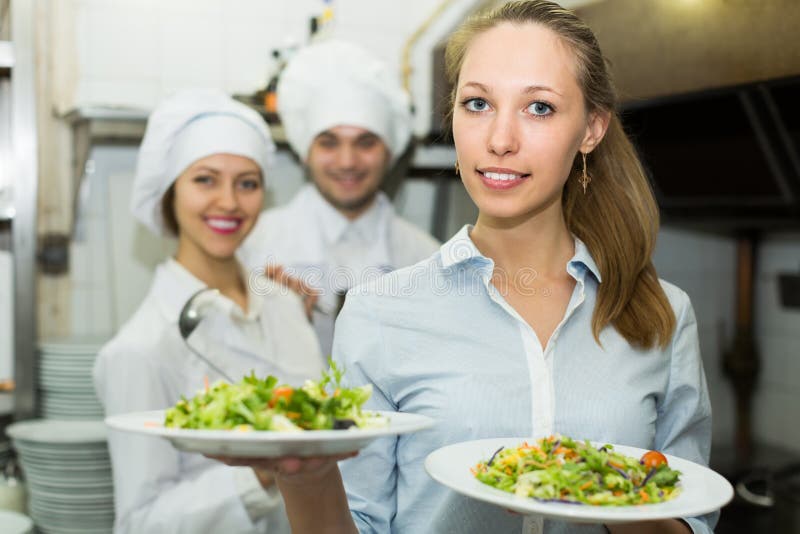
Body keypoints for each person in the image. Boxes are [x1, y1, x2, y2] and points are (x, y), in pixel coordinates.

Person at [218, 2, 717, 533]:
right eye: (477, 103)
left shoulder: (663, 316)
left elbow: (690, 512)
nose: (500, 140)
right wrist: (304, 476)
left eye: (539, 108)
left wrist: (608, 495)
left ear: (591, 129)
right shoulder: (379, 313)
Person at [93, 89, 324, 534]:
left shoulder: (285, 304)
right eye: (205, 180)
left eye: (247, 183)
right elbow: (141, 522)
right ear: (170, 193)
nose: (230, 202)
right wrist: (262, 472)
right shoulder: (140, 349)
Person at [239, 40, 440, 357]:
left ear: (389, 154)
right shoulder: (253, 246)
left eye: (366, 143)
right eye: (329, 143)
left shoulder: (428, 259)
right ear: (305, 152)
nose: (347, 162)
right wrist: (271, 322)